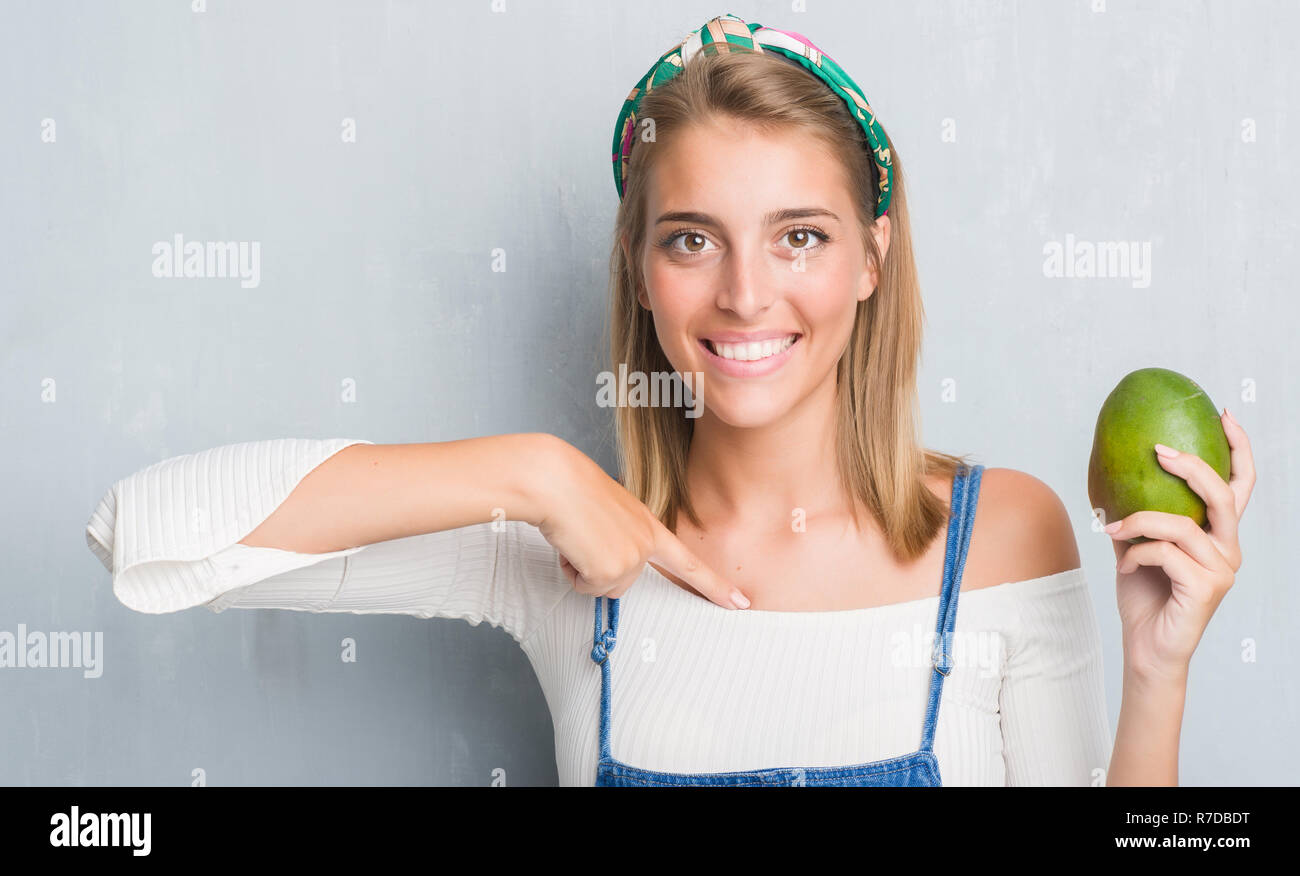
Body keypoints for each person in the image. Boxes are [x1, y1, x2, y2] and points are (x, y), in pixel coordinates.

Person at [85, 13, 1254, 786]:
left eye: (799, 235)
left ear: (869, 260)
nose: (746, 294)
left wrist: (1157, 676)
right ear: (640, 272)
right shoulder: (556, 555)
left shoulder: (1002, 537)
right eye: (692, 239)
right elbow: (140, 533)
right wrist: (532, 474)